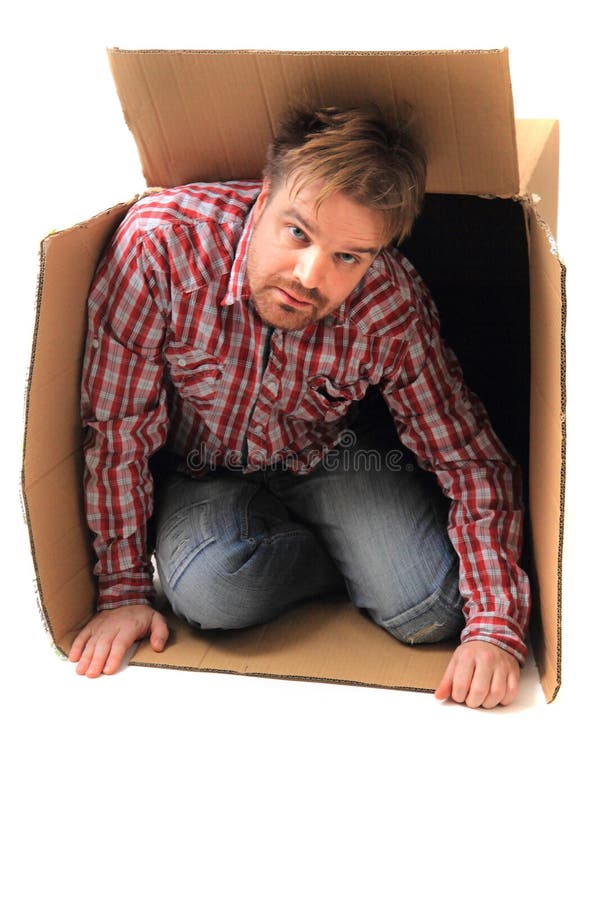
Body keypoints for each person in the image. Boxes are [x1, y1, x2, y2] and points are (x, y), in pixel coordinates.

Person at [69, 103, 530, 708]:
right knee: (209, 592)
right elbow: (118, 431)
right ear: (261, 198)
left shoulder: (390, 305)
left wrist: (496, 624)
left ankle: (361, 560)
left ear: (378, 252)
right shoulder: (163, 246)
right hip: (201, 469)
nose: (310, 276)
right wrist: (125, 590)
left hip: (328, 456)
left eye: (349, 257)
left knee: (430, 610)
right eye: (298, 233)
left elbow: (469, 458)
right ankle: (339, 560)